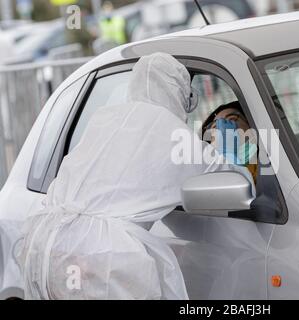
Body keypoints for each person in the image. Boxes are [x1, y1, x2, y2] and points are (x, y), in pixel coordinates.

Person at [18, 53, 253, 300]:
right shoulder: (171, 133)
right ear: (179, 92)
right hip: (101, 256)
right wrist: (232, 151)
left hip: (45, 244)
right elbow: (238, 181)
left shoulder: (106, 117)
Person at [201, 101, 258, 183]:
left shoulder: (272, 163)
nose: (223, 129)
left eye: (232, 120)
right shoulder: (205, 179)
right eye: (215, 127)